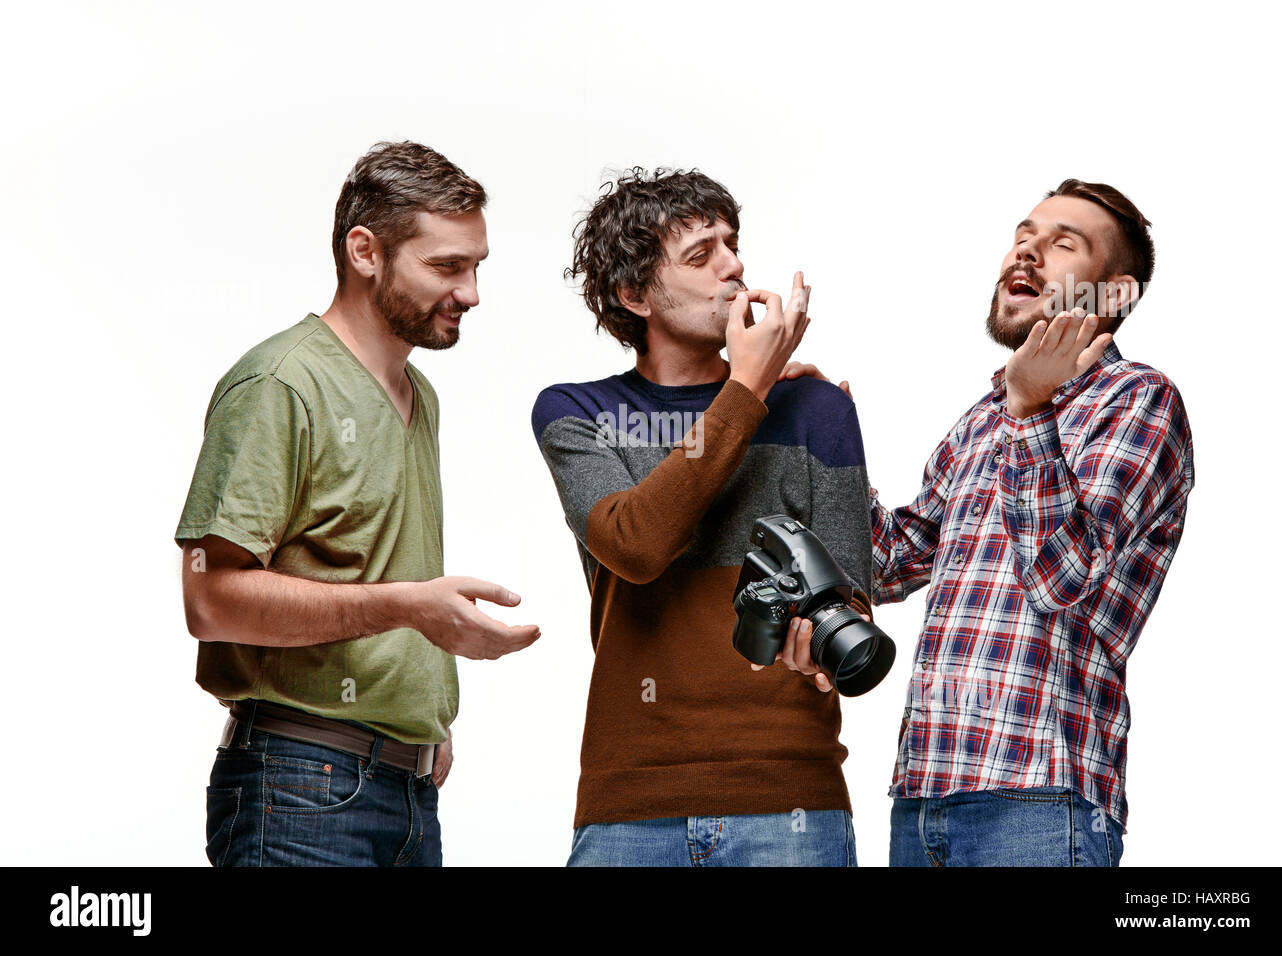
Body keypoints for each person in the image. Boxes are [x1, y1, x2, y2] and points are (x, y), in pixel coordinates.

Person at [783, 179, 1194, 866]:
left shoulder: (1140, 400)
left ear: (1115, 294)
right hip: (922, 797)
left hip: (1041, 801)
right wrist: (827, 442)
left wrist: (1031, 408)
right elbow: (887, 565)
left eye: (1063, 243)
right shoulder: (981, 420)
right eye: (1023, 236)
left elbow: (1065, 579)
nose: (1026, 253)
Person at [175, 140, 540, 867]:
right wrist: (409, 606)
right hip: (300, 790)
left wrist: (416, 723)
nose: (471, 293)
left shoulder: (419, 396)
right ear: (365, 251)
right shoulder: (282, 384)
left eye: (476, 266)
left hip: (404, 791)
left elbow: (371, 570)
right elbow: (210, 600)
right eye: (446, 266)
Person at [531, 167, 877, 866]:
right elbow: (636, 544)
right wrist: (747, 387)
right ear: (635, 296)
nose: (736, 266)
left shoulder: (816, 412)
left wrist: (822, 646)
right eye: (702, 254)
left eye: (733, 243)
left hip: (790, 806)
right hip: (630, 809)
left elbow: (853, 608)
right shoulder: (578, 413)